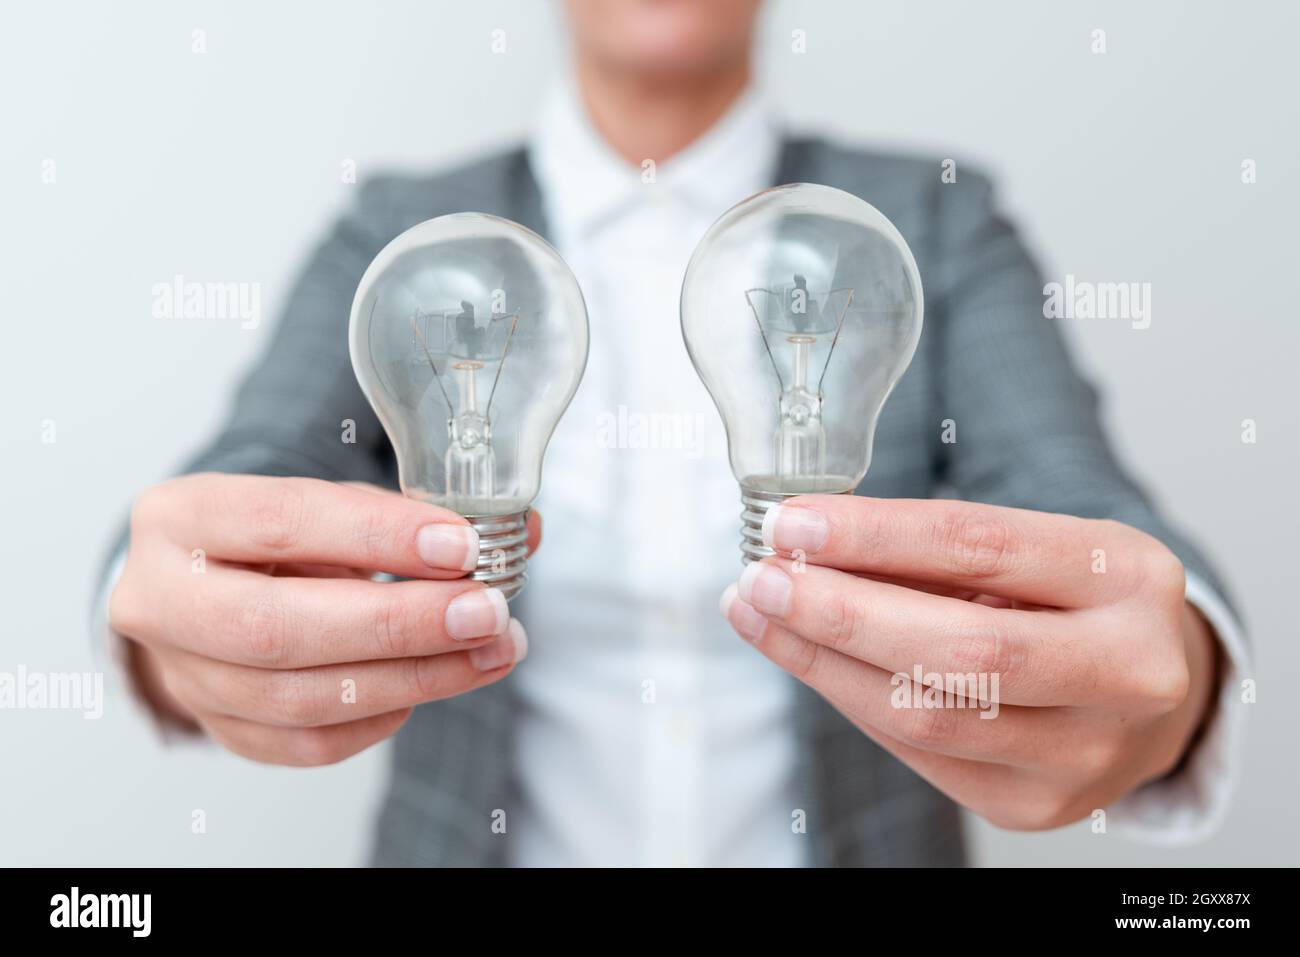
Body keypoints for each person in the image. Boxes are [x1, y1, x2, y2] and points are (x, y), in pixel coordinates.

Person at [102, 0, 1248, 866]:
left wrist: (1174, 675)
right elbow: (240, 491)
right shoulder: (401, 232)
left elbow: (1081, 505)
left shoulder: (932, 220)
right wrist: (180, 630)